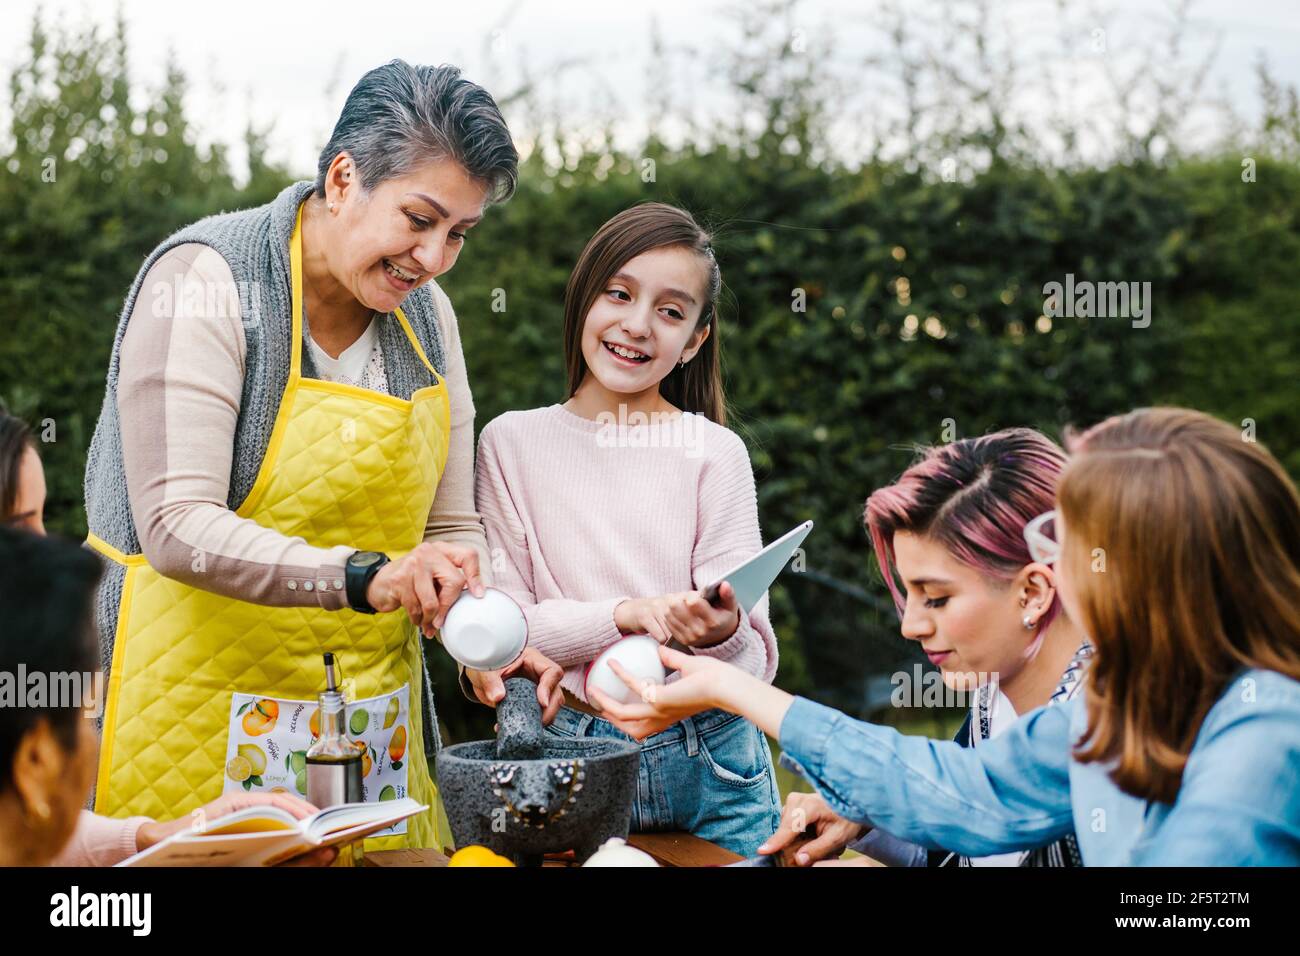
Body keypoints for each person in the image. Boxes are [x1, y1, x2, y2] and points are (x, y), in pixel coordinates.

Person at [80, 60, 559, 851]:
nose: (435, 258)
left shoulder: (428, 317)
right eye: (419, 219)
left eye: (459, 235)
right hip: (182, 697)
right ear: (342, 179)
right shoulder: (206, 280)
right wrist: (368, 578)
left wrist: (478, 633)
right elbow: (175, 524)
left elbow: (449, 521)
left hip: (365, 713)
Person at [594, 408, 1300, 865]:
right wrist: (731, 687)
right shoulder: (1122, 701)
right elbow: (965, 791)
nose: (1051, 563)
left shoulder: (1261, 732)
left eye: (1066, 542)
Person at [472, 203, 781, 855]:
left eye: (671, 311)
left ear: (695, 338)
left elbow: (752, 657)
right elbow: (510, 631)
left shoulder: (715, 452)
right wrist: (631, 613)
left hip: (713, 755)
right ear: (586, 298)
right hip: (572, 758)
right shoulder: (510, 444)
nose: (638, 325)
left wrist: (721, 628)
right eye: (619, 294)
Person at [779, 428, 1091, 867]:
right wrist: (872, 820)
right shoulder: (994, 693)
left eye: (937, 598)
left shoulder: (1113, 728)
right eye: (909, 594)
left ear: (1034, 592)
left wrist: (732, 690)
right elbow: (964, 848)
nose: (910, 625)